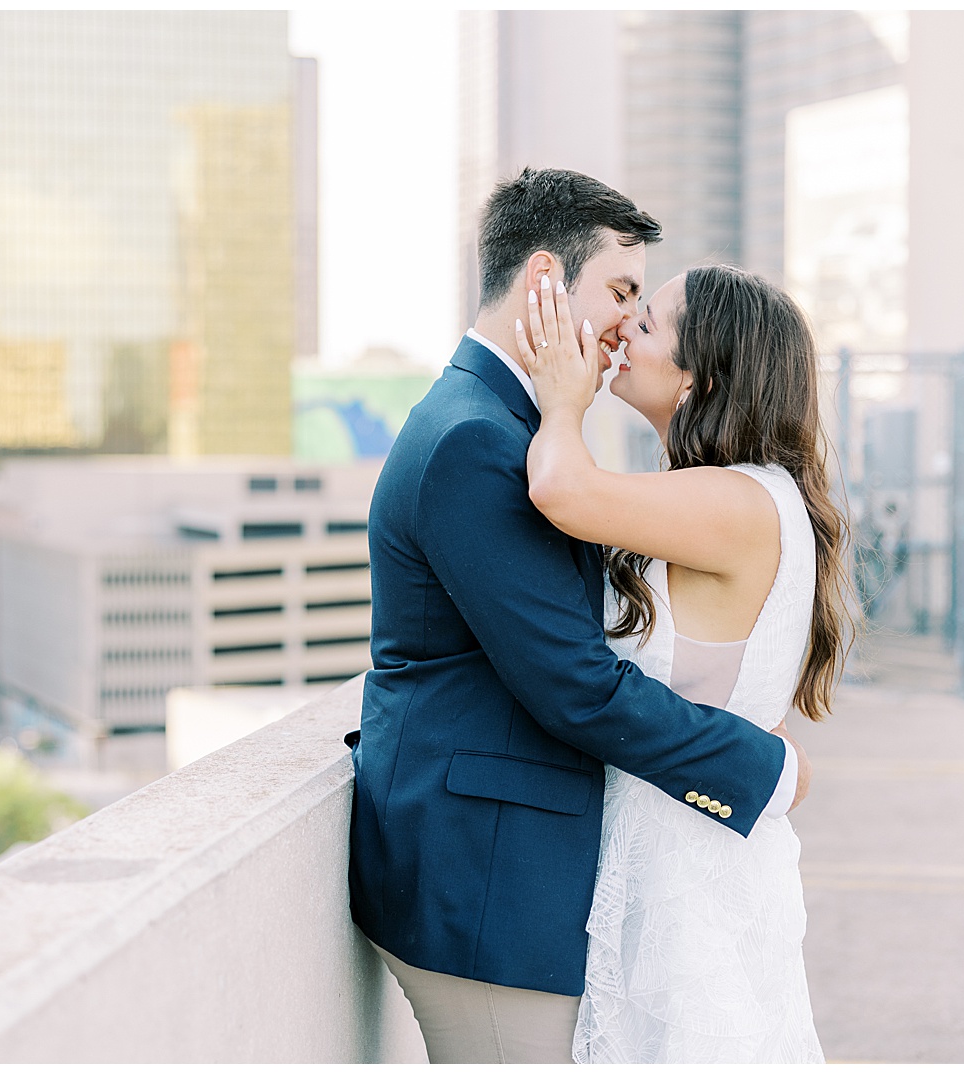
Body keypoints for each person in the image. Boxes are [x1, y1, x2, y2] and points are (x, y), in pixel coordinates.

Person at [346, 167, 811, 1064]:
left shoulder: (512, 428)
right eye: (623, 294)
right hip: (483, 876)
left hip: (533, 871)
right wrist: (766, 771)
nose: (626, 327)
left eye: (646, 312)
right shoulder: (479, 439)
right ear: (546, 282)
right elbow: (574, 683)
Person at [518, 262, 854, 1062]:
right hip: (691, 855)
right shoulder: (740, 496)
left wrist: (563, 403)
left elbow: (561, 488)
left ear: (702, 378)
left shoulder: (738, 500)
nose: (623, 331)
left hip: (689, 882)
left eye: (649, 324)